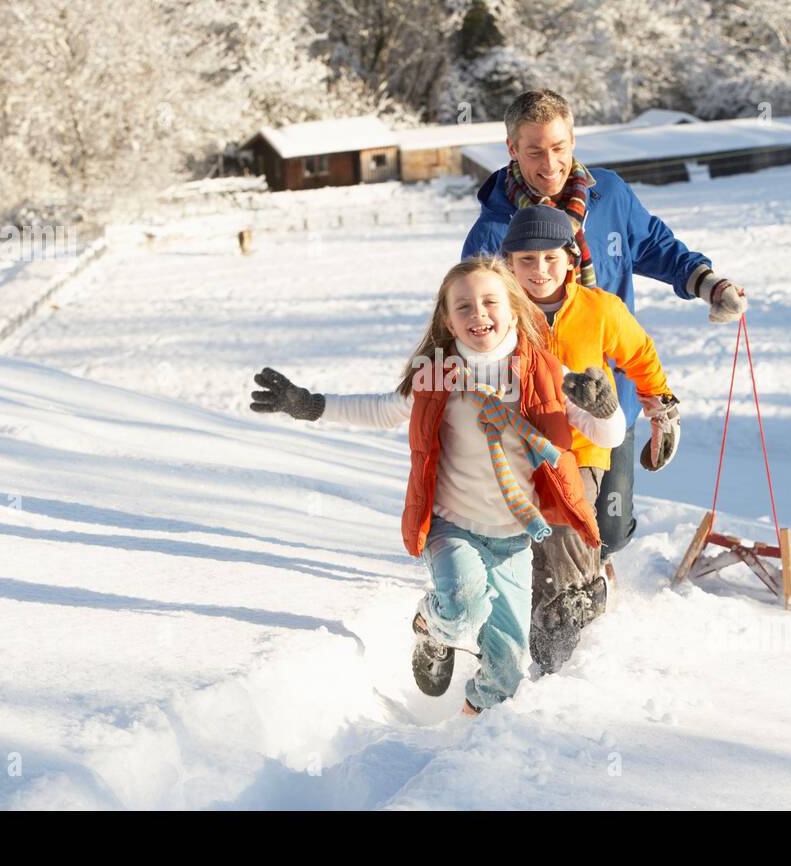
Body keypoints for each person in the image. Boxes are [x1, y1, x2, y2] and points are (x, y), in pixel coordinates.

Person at [249, 256, 624, 715]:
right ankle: (433, 626)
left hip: (513, 538)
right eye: (463, 306)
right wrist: (309, 405)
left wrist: (606, 408)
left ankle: (467, 744)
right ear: (448, 319)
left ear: (514, 307)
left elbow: (608, 437)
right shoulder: (437, 374)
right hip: (454, 526)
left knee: (506, 673)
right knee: (464, 606)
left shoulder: (545, 372)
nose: (478, 314)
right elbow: (384, 410)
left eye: (490, 302)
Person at [462, 88, 749, 571]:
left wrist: (708, 283)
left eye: (559, 147)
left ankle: (597, 562)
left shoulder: (609, 196)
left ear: (573, 140)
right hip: (532, 407)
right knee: (544, 524)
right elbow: (471, 320)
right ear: (512, 149)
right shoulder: (493, 233)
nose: (549, 163)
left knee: (610, 529)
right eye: (533, 151)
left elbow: (657, 246)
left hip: (609, 398)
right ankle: (555, 601)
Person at [500, 204, 679, 674]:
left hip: (583, 447)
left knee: (563, 519)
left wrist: (661, 404)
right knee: (536, 549)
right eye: (526, 260)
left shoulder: (600, 309)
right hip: (519, 447)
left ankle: (578, 614)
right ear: (509, 263)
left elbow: (639, 353)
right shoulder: (502, 314)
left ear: (570, 260)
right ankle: (545, 650)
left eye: (550, 259)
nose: (539, 271)